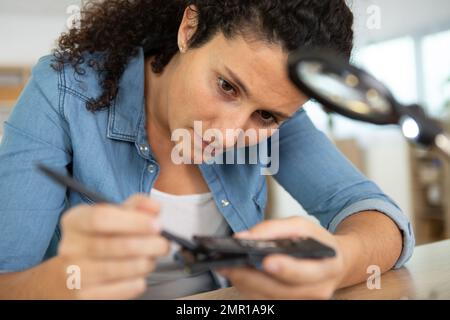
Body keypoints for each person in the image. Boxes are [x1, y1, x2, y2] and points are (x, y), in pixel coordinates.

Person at [0, 0, 414, 299]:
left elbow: (376, 215)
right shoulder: (62, 91)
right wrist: (70, 280)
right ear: (190, 28)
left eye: (267, 118)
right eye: (227, 87)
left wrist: (339, 259)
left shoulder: (274, 104)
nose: (230, 133)